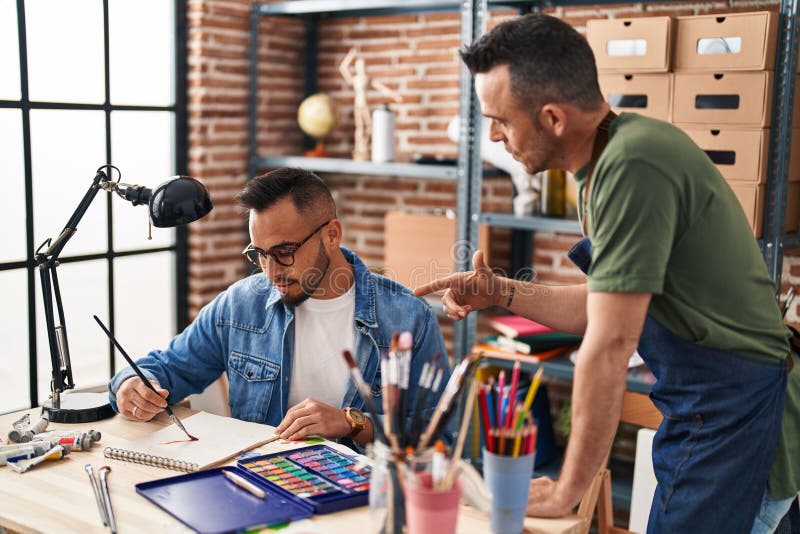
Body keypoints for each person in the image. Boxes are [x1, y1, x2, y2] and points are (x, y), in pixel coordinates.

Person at [414, 13, 799, 533]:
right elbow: (602, 307)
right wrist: (498, 290)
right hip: (707, 407)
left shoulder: (632, 165)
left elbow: (611, 341)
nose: (495, 135)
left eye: (500, 119)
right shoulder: (607, 162)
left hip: (740, 415)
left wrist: (570, 487)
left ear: (552, 117)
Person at [109, 167, 450, 448]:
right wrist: (131, 388)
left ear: (332, 234)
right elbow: (163, 369)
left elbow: (441, 437)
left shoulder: (407, 318)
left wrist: (351, 423)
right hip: (259, 488)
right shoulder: (239, 306)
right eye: (259, 253)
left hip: (363, 501)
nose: (271, 271)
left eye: (285, 251)